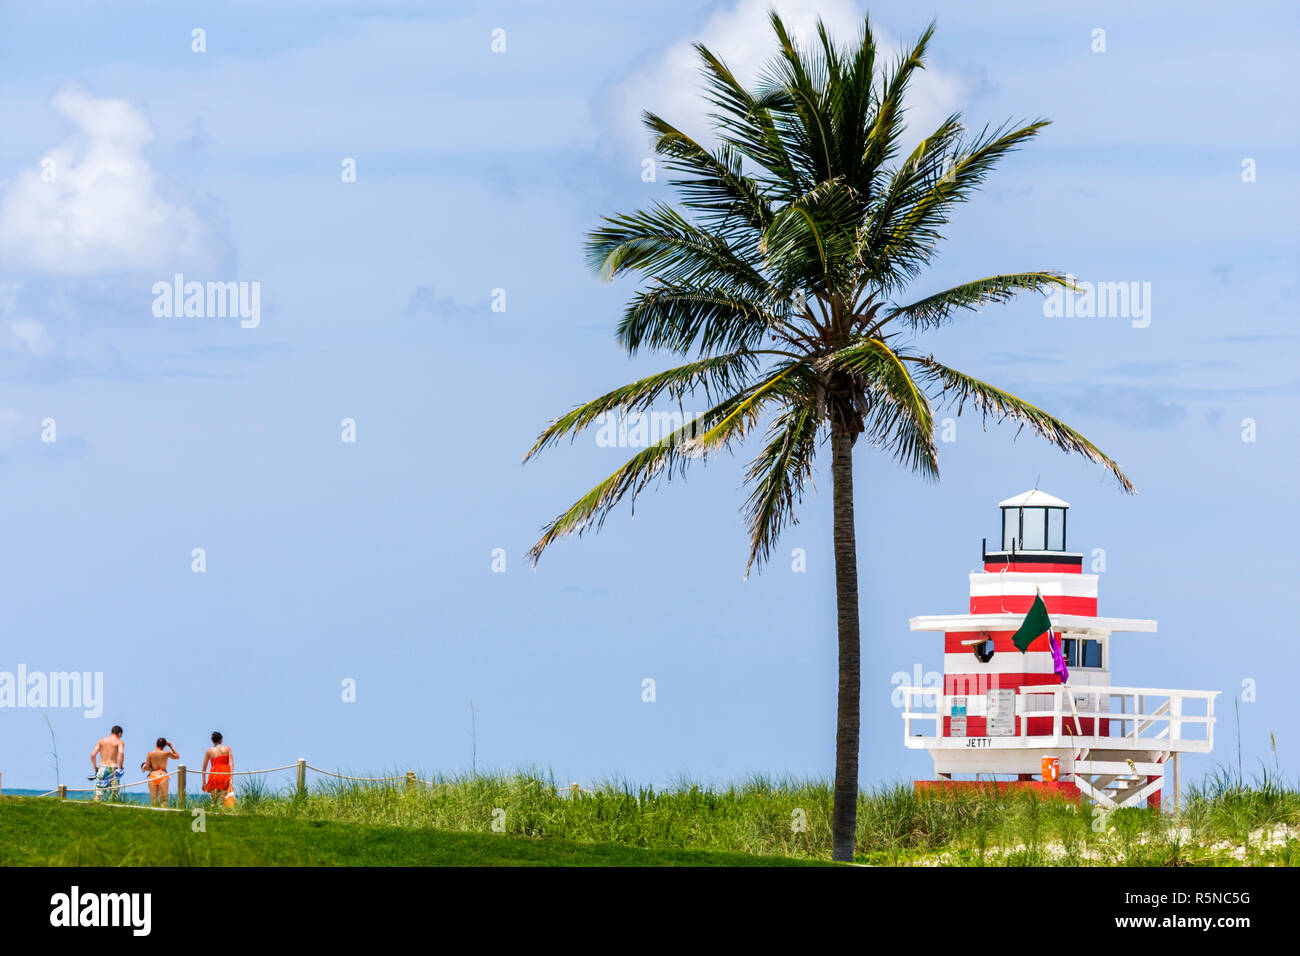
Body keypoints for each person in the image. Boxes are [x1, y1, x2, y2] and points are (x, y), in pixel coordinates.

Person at [90, 726, 125, 802]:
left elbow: (93, 755)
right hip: (113, 769)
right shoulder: (119, 742)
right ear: (119, 733)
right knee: (114, 794)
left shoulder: (102, 741)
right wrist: (120, 767)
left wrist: (95, 767)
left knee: (98, 794)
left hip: (102, 768)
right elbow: (121, 753)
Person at [142, 738, 180, 806]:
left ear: (156, 744)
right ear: (165, 746)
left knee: (154, 800)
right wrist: (170, 746)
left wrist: (144, 767)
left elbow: (147, 768)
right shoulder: (167, 753)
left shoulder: (150, 754)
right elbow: (177, 756)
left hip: (153, 776)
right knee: (164, 800)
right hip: (163, 776)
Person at [202, 731, 234, 806]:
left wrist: (204, 782)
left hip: (214, 775)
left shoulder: (209, 751)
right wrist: (231, 779)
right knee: (225, 802)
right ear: (221, 739)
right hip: (224, 774)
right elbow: (231, 764)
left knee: (214, 802)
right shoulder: (227, 749)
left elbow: (204, 769)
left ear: (212, 740)